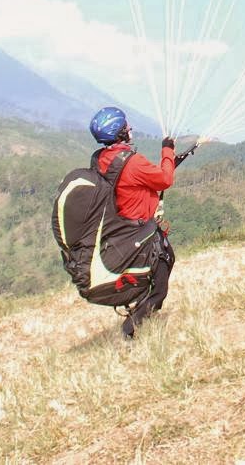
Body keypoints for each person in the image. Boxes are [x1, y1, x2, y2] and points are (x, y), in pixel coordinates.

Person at [89, 106, 179, 338]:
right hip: (141, 232)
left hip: (121, 231)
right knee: (160, 282)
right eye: (125, 126)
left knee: (156, 268)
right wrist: (167, 151)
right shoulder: (132, 162)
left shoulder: (100, 160)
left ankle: (142, 312)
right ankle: (131, 329)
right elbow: (165, 179)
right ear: (120, 133)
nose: (130, 129)